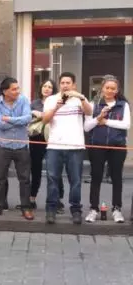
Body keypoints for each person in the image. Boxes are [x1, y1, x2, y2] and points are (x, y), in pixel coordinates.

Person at [42, 71, 92, 225]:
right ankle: (51, 209)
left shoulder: (79, 99)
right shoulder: (51, 99)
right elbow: (44, 120)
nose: (65, 85)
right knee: (52, 179)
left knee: (75, 180)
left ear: (73, 84)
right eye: (62, 83)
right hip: (55, 145)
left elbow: (89, 112)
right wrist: (56, 107)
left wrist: (81, 97)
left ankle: (76, 210)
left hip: (75, 146)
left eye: (68, 83)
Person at [0, 77, 34, 220]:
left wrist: (8, 119)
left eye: (18, 88)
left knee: (24, 179)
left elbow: (28, 119)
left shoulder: (23, 100)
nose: (17, 91)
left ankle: (26, 207)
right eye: (14, 89)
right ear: (5, 91)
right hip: (3, 145)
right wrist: (17, 121)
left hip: (21, 144)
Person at [84, 75, 130, 223]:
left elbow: (126, 125)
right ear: (102, 88)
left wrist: (106, 121)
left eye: (113, 88)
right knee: (96, 177)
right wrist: (98, 119)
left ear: (117, 90)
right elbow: (87, 127)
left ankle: (117, 209)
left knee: (116, 177)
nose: (109, 90)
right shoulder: (93, 104)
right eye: (107, 88)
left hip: (117, 146)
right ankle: (93, 209)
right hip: (97, 145)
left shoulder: (123, 105)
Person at [28, 79, 62, 211]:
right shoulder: (34, 103)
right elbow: (28, 117)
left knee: (54, 171)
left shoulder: (57, 102)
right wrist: (34, 113)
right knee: (35, 170)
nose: (47, 89)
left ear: (53, 90)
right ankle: (32, 199)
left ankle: (57, 200)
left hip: (53, 139)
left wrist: (42, 115)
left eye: (50, 87)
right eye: (44, 86)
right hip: (36, 139)